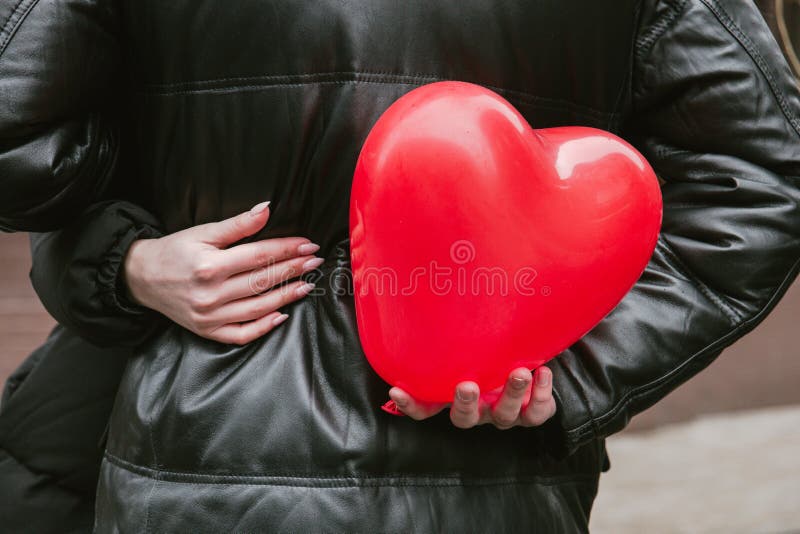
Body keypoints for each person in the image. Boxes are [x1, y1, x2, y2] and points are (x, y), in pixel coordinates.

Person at [2, 0, 800, 531]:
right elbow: (762, 176)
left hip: (205, 451)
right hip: (487, 476)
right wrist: (571, 370)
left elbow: (23, 129)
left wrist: (129, 256)